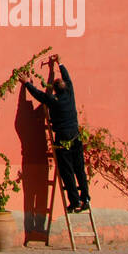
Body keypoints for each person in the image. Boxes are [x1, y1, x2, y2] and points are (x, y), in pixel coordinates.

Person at [25, 55, 91, 212]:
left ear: (55, 91)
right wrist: (59, 63)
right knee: (79, 168)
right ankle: (85, 197)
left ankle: (75, 202)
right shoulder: (70, 94)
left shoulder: (54, 101)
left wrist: (26, 83)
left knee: (67, 170)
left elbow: (39, 95)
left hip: (63, 138)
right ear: (65, 87)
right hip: (75, 136)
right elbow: (67, 78)